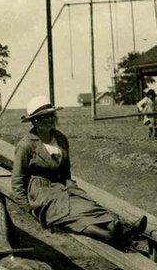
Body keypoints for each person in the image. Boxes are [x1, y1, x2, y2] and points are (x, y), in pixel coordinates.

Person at [12, 96, 148, 248]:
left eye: (51, 116)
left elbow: (66, 171)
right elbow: (17, 180)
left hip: (64, 187)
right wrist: (29, 209)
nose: (49, 120)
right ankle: (109, 236)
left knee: (89, 206)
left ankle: (119, 227)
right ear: (35, 121)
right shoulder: (26, 145)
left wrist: (72, 188)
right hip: (42, 193)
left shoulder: (60, 139)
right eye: (44, 117)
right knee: (68, 214)